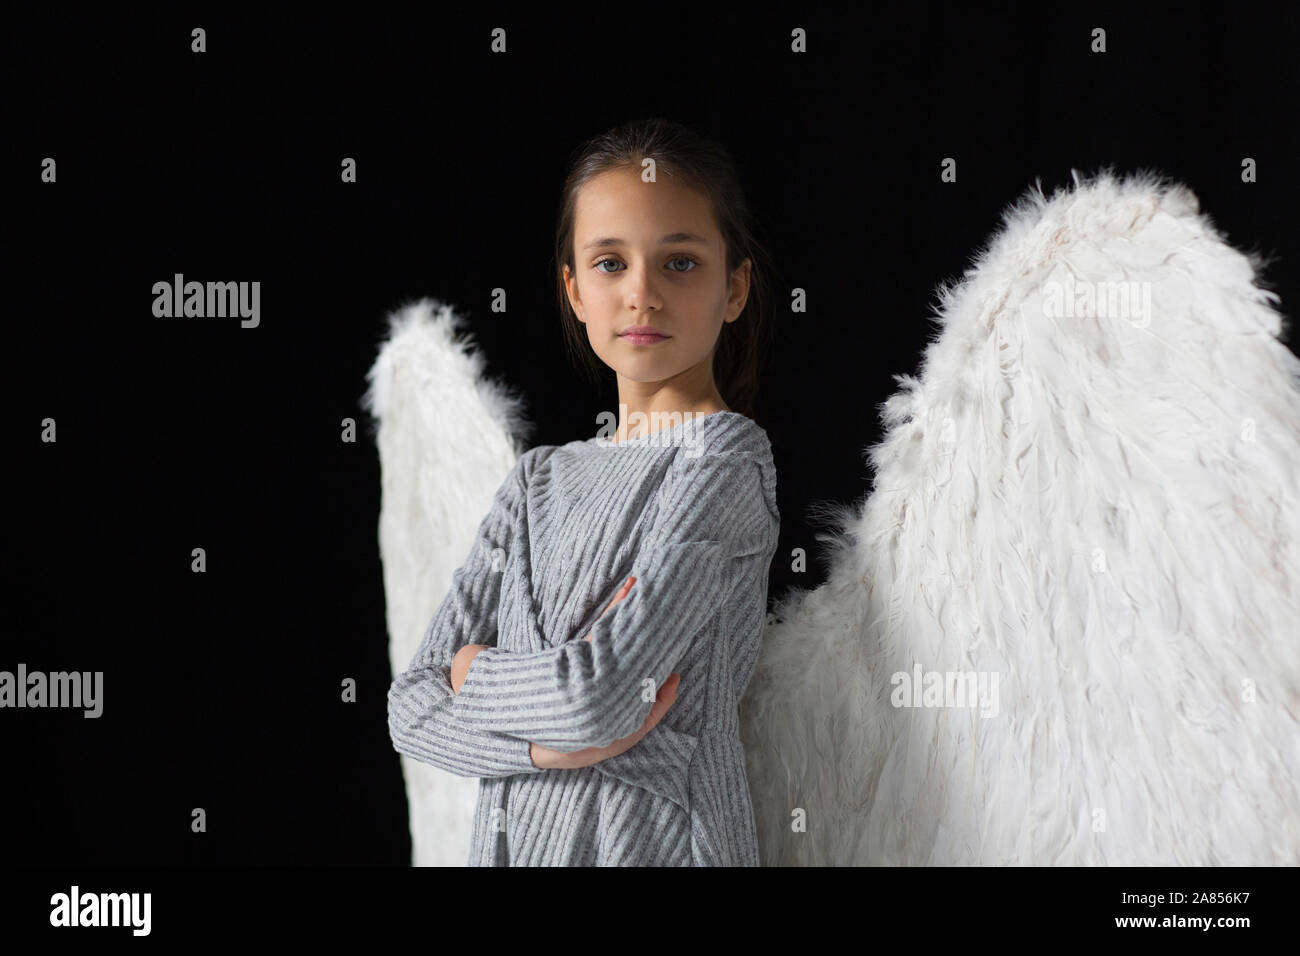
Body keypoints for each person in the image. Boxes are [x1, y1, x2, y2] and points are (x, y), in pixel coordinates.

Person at [387, 117, 781, 865]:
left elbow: (600, 693)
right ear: (572, 288)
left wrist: (475, 673)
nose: (641, 294)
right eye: (609, 263)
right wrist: (548, 752)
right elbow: (410, 706)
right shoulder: (535, 482)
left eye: (680, 264)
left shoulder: (723, 463)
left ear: (735, 288)